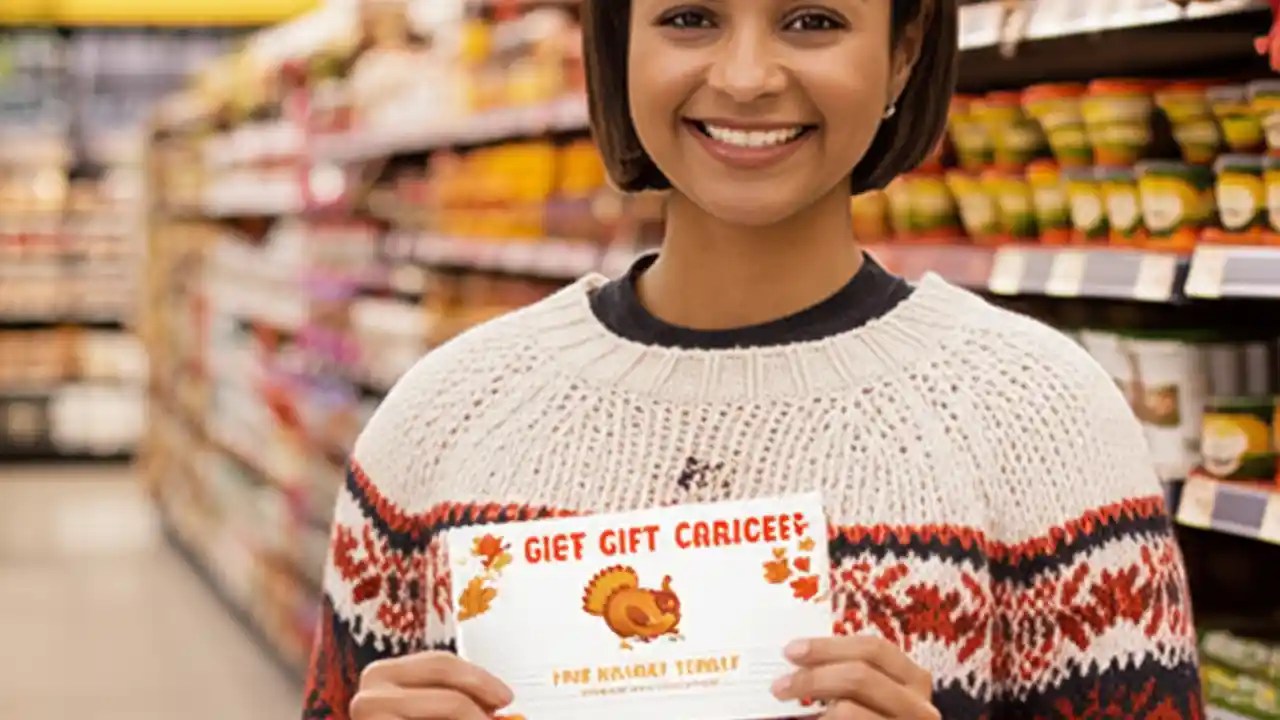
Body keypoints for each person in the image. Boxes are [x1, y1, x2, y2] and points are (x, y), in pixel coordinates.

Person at [302, 0, 1203, 717]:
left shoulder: (1047, 422)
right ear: (614, 41)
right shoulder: (438, 419)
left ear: (903, 51)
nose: (744, 77)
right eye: (690, 17)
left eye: (812, 21)